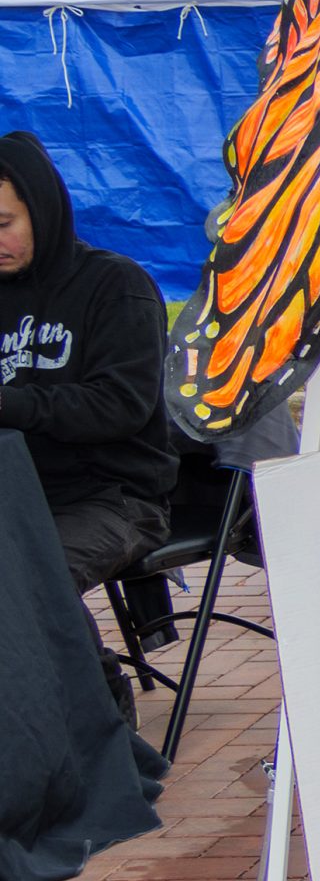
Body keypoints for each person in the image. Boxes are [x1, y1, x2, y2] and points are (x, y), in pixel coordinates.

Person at [0, 131, 178, 723]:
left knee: (21, 569)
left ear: (43, 211)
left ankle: (101, 723)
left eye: (4, 223)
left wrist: (13, 404)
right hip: (18, 494)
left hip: (115, 495)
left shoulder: (115, 286)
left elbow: (121, 407)